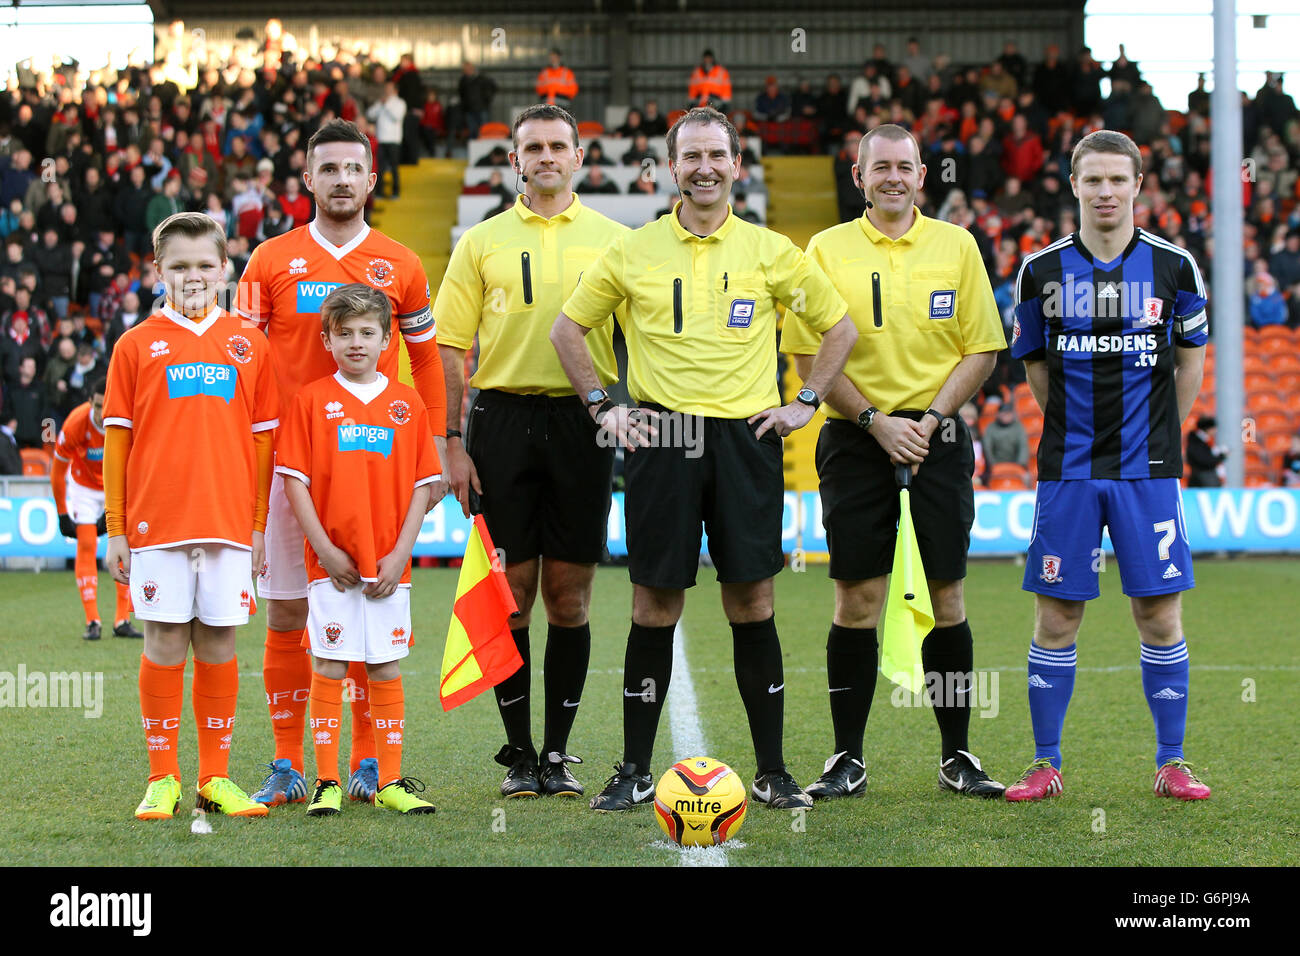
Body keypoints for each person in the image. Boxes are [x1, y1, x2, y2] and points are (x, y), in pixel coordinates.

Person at [550, 107, 858, 812]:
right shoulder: (633, 251)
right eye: (690, 157)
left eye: (716, 156)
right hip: (661, 439)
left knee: (752, 599)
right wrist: (604, 406)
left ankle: (774, 770)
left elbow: (839, 326)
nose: (705, 169)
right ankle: (631, 769)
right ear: (670, 168)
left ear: (736, 165)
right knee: (654, 601)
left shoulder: (771, 250)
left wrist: (806, 400)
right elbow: (568, 329)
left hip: (745, 439)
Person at [782, 123, 1007, 801]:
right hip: (856, 440)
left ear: (921, 175)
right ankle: (846, 757)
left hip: (937, 440)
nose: (891, 178)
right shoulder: (824, 249)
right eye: (878, 168)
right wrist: (879, 424)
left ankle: (957, 755)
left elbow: (982, 350)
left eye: (903, 167)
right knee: (858, 598)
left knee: (946, 596)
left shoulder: (957, 244)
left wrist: (930, 422)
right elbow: (808, 359)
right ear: (859, 177)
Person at [234, 119, 447, 809]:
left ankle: (363, 765)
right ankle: (288, 762)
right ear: (307, 178)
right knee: (291, 614)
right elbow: (238, 359)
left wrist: (437, 445)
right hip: (290, 472)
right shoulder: (269, 260)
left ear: (371, 177)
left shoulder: (401, 263)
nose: (341, 180)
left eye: (353, 168)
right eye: (328, 169)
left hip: (371, 471)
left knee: (365, 610)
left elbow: (426, 359)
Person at [1007, 129, 1212, 801]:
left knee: (1158, 614)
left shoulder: (1175, 267)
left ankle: (1172, 762)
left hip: (1147, 470)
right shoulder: (1039, 271)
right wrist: (1075, 424)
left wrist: (1157, 438)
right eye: (1092, 179)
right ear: (1073, 185)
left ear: (1137, 185)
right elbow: (1036, 371)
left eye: (1116, 180)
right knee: (1057, 617)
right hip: (1066, 469)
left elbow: (1189, 364)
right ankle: (1045, 763)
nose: (1105, 191)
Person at [435, 104, 627, 799]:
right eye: (532, 147)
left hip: (584, 424)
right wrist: (453, 441)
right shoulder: (479, 242)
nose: (545, 156)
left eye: (557, 146)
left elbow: (647, 337)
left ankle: (557, 752)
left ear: (580, 156)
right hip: (502, 423)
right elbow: (450, 347)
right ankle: (518, 754)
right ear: (514, 159)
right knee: (510, 597)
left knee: (569, 597)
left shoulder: (616, 239)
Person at [104, 211, 278, 820]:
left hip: (230, 524)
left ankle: (215, 777)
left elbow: (263, 444)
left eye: (206, 264)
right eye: (179, 266)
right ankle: (162, 778)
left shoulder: (248, 344)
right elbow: (118, 441)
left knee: (219, 643)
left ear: (226, 269)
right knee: (164, 639)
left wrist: (258, 526)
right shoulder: (134, 344)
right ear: (158, 271)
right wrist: (116, 528)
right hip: (157, 524)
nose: (194, 276)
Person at [276, 284, 440, 816]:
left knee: (386, 667)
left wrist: (400, 555)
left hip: (389, 566)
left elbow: (422, 487)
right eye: (343, 333)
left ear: (387, 339)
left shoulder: (406, 403)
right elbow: (295, 482)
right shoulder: (310, 400)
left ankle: (388, 780)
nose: (355, 342)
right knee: (329, 664)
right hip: (332, 566)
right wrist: (323, 550)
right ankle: (326, 780)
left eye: (367, 333)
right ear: (326, 339)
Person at [52, 377, 141, 641]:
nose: (103, 413)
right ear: (90, 402)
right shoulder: (75, 424)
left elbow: (135, 465)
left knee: (125, 545)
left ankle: (121, 619)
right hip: (83, 488)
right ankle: (93, 620)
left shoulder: (127, 420)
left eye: (107, 405)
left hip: (116, 485)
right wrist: (62, 513)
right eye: (98, 405)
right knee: (87, 545)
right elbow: (57, 472)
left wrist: (116, 504)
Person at [366, 82, 406, 199]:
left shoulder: (400, 103)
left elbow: (396, 117)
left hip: (394, 140)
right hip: (381, 139)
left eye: (389, 88)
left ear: (395, 90)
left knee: (394, 167)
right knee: (381, 167)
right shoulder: (381, 102)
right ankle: (379, 192)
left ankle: (396, 191)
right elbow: (370, 114)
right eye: (386, 88)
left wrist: (386, 104)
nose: (387, 90)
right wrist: (381, 105)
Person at [983, 402, 1029, 467]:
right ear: (998, 414)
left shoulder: (1018, 427)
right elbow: (987, 447)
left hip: (1015, 464)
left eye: (1008, 413)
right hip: (995, 464)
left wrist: (1020, 465)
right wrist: (993, 465)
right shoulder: (991, 428)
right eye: (1004, 413)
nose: (1006, 415)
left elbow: (1023, 447)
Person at [1185, 415, 1226, 487]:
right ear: (1208, 429)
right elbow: (1204, 460)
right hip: (1203, 480)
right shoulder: (1197, 442)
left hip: (1203, 478)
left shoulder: (1201, 441)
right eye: (1213, 428)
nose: (1215, 431)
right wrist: (1220, 457)